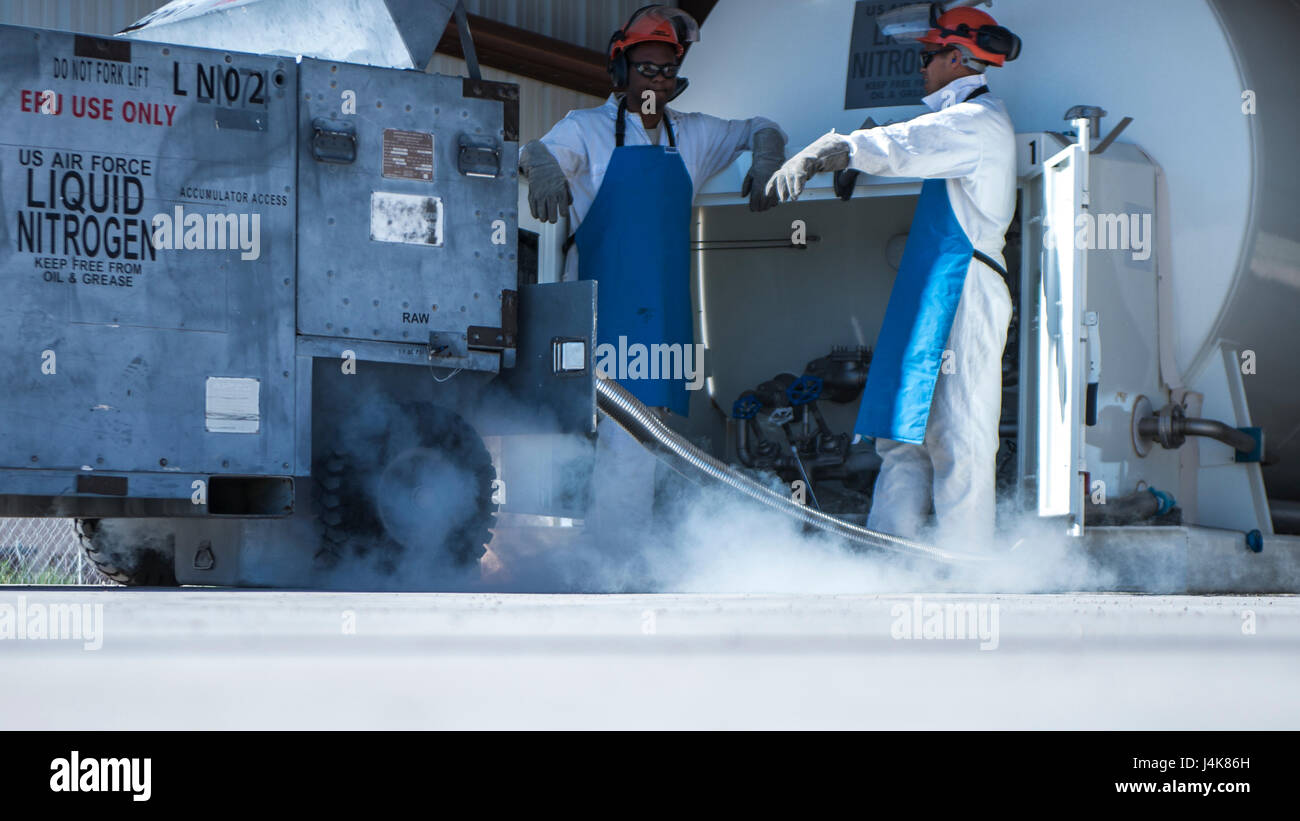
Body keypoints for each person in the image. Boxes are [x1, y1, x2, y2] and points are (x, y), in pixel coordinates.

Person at [519, 5, 788, 542]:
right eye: (646, 68)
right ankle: (609, 568)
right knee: (620, 435)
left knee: (649, 435)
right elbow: (538, 154)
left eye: (667, 70)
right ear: (621, 72)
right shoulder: (587, 129)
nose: (657, 81)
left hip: (660, 317)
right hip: (601, 310)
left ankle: (624, 563)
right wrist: (538, 159)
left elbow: (759, 126)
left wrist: (768, 150)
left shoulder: (691, 136)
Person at [767, 6, 1021, 551]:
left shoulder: (978, 120)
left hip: (964, 290)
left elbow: (911, 143)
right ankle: (888, 560)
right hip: (933, 289)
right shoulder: (956, 119)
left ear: (958, 58)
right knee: (902, 437)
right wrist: (866, 146)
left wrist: (838, 150)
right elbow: (913, 139)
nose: (921, 66)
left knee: (959, 437)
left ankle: (965, 566)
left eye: (929, 55)